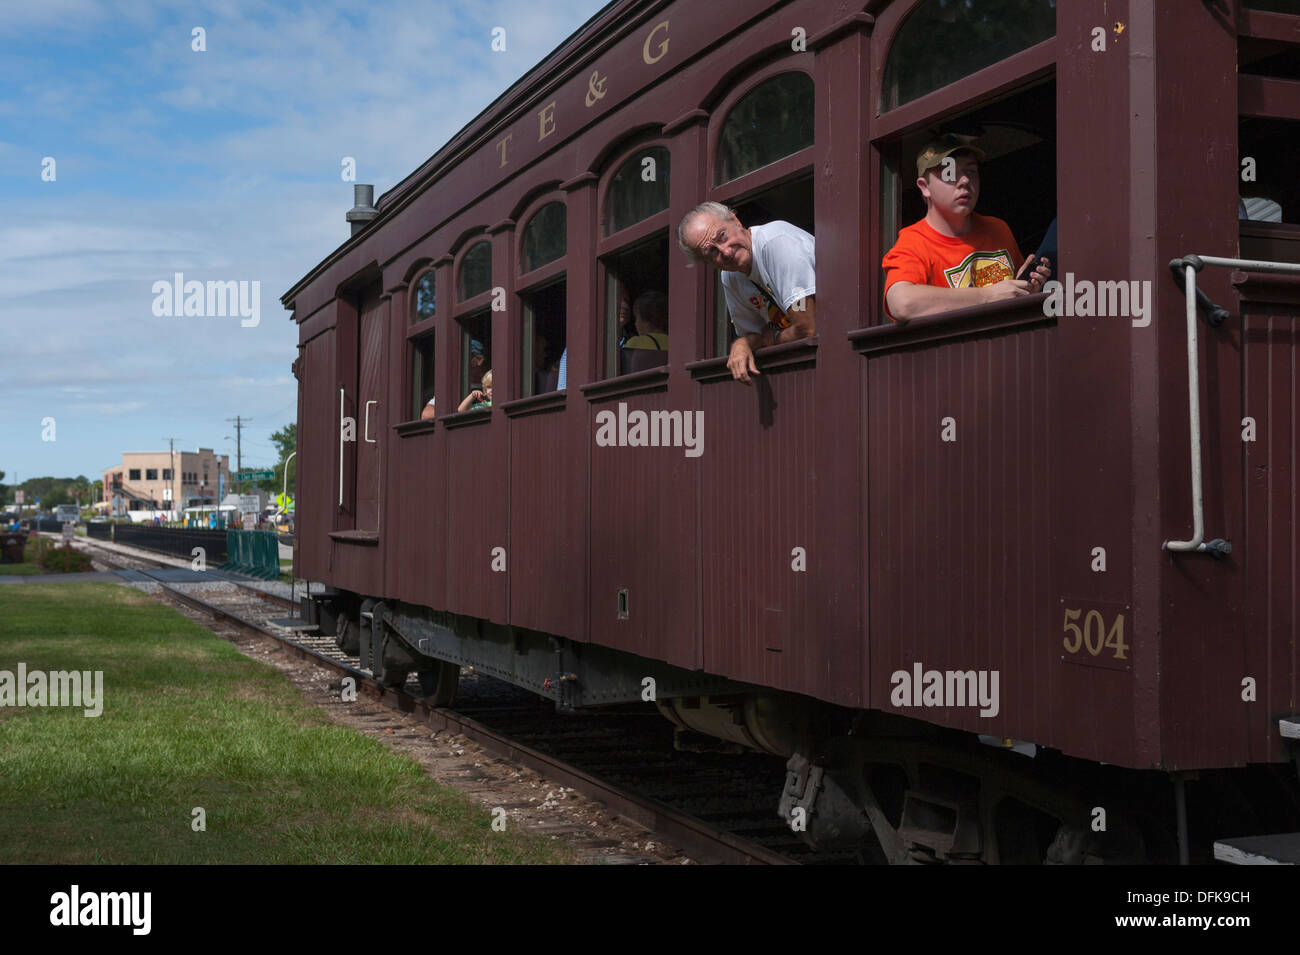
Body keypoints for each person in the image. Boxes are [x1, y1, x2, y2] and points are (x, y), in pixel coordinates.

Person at [882, 133, 1051, 321]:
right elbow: (902, 303)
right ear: (924, 187)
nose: (964, 181)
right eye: (950, 172)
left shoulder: (998, 228)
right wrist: (986, 296)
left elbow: (1010, 296)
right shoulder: (914, 241)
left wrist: (1025, 289)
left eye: (971, 171)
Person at [677, 201, 816, 384]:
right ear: (707, 263)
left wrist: (770, 338)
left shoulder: (776, 242)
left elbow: (809, 327)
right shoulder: (730, 277)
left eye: (722, 236)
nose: (725, 252)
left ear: (735, 221)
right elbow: (754, 334)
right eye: (712, 251)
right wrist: (742, 344)